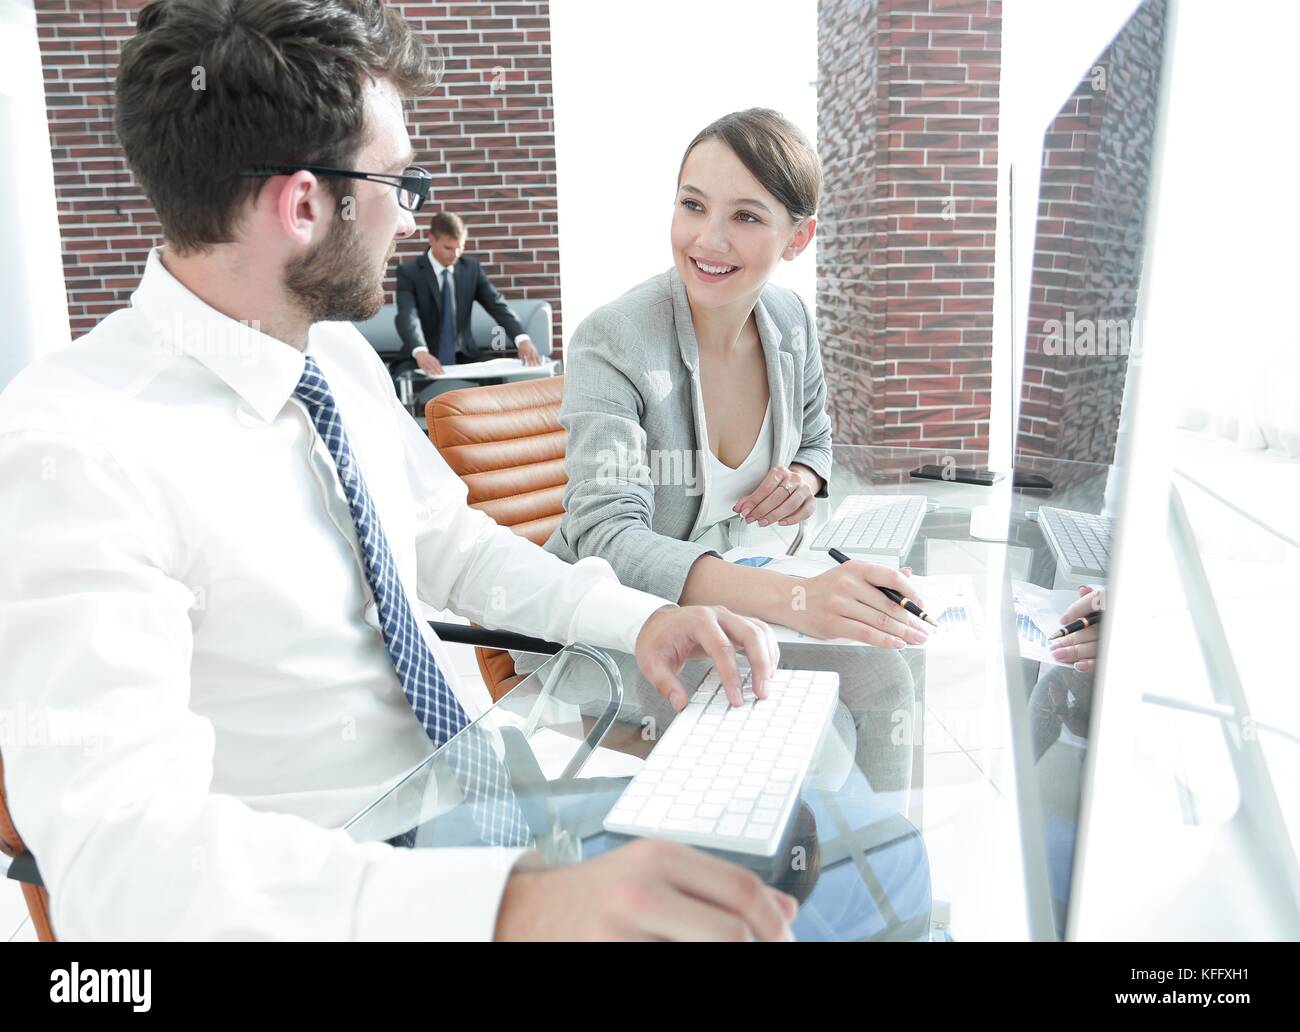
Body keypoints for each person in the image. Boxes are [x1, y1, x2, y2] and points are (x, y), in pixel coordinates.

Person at [0, 0, 795, 942]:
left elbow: (453, 545)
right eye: (401, 182)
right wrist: (510, 911)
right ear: (303, 204)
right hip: (347, 895)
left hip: (483, 807)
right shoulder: (77, 443)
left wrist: (644, 618)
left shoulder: (330, 360)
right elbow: (118, 859)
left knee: (827, 847)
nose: (411, 217)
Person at [530, 108, 928, 793]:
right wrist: (795, 599)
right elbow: (608, 535)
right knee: (807, 740)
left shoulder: (789, 320)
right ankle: (804, 878)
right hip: (632, 622)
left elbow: (820, 439)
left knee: (891, 656)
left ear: (798, 237)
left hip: (749, 589)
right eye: (693, 205)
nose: (707, 239)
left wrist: (805, 473)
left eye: (745, 217)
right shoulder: (617, 339)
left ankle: (891, 878)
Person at [394, 213, 544, 407]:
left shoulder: (470, 268)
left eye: (460, 248)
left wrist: (522, 339)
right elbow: (408, 316)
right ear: (431, 239)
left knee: (497, 380)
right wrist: (421, 351)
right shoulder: (410, 272)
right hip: (419, 356)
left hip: (464, 354)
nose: (455, 255)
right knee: (398, 383)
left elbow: (496, 304)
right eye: (448, 248)